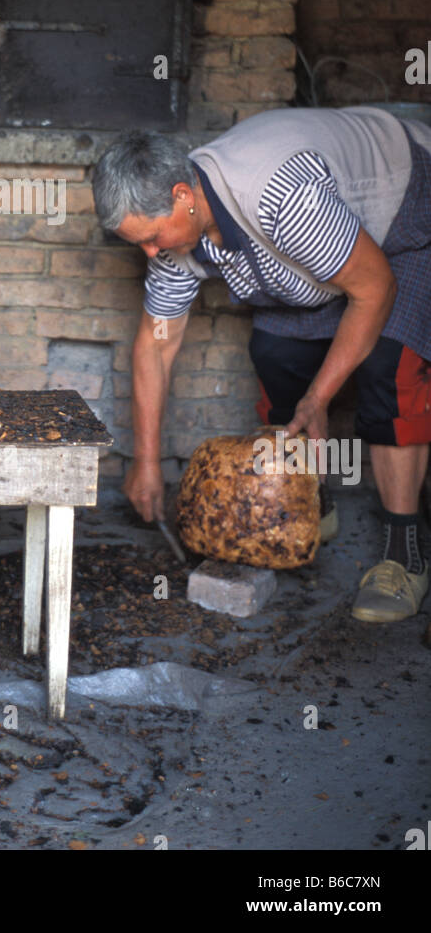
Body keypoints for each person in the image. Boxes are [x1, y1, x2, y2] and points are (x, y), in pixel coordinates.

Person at [92, 106, 431, 625]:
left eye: (153, 237)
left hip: (402, 217)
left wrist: (321, 397)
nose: (150, 251)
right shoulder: (176, 237)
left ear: (183, 195)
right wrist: (146, 461)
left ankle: (404, 555)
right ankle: (308, 506)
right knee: (275, 355)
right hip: (318, 259)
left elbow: (374, 288)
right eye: (137, 242)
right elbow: (155, 346)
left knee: (390, 365)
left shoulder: (280, 198)